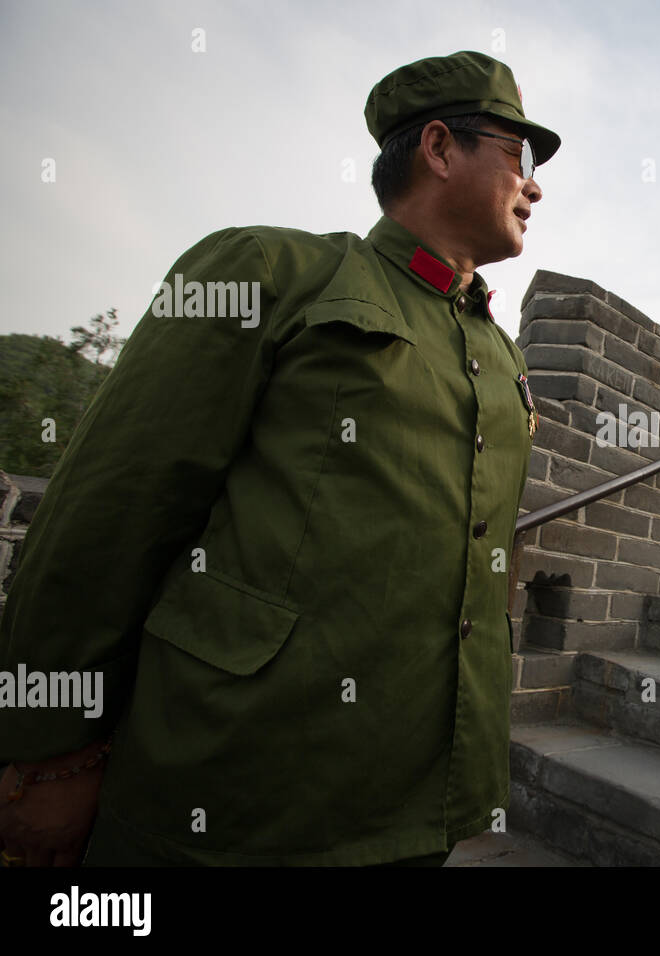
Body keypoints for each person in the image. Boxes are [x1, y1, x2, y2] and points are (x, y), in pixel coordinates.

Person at [0, 50, 557, 866]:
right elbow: (112, 510)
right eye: (521, 156)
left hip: (419, 802)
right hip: (233, 793)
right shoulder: (272, 272)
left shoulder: (500, 358)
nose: (536, 185)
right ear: (439, 149)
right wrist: (49, 750)